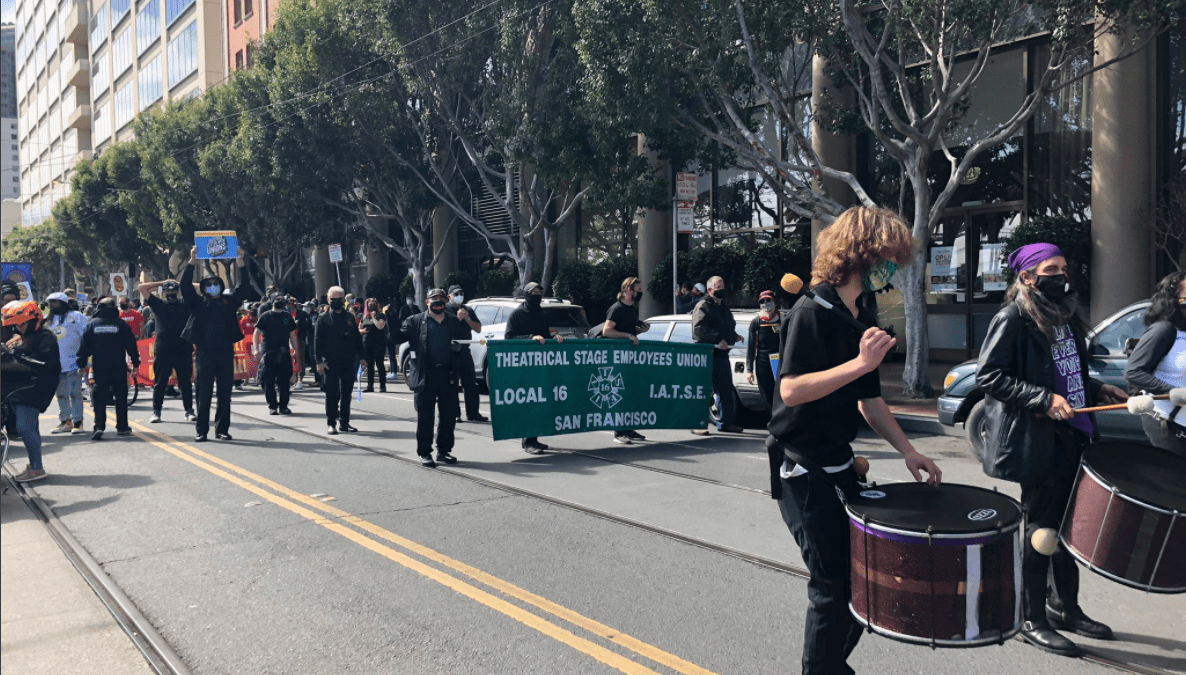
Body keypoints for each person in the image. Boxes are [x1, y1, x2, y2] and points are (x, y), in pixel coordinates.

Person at [770, 206, 942, 675]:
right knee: (832, 585)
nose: (892, 267)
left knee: (863, 580)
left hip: (841, 463)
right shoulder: (811, 311)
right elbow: (791, 390)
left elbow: (869, 401)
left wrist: (909, 451)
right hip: (803, 470)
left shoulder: (860, 311)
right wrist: (861, 364)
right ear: (862, 253)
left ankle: (829, 667)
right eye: (887, 256)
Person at [976, 242, 1127, 656]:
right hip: (1039, 441)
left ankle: (1066, 607)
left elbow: (1065, 370)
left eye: (1063, 267)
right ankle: (1031, 617)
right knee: (1042, 529)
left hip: (1075, 434)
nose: (1061, 275)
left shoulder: (1065, 316)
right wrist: (1042, 400)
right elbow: (989, 375)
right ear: (1027, 278)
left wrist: (1095, 387)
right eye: (1050, 269)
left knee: (1067, 528)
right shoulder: (1013, 318)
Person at [180, 246, 248, 442]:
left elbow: (243, 289)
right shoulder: (198, 303)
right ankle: (202, 431)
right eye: (208, 285)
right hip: (204, 353)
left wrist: (241, 261)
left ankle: (222, 430)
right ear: (204, 288)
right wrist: (192, 261)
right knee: (203, 393)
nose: (212, 287)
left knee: (225, 393)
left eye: (215, 284)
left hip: (226, 352)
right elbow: (185, 287)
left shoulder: (229, 301)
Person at [398, 288, 464, 467]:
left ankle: (444, 451)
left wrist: (458, 349)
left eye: (441, 299)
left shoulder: (453, 321)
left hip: (447, 374)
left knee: (448, 415)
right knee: (425, 415)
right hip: (425, 374)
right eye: (434, 299)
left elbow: (465, 341)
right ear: (427, 302)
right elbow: (397, 336)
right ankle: (425, 452)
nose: (438, 302)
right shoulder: (415, 321)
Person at [1125, 271, 1186, 458]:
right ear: (1175, 297)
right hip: (1167, 424)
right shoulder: (1163, 330)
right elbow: (1134, 372)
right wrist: (1173, 392)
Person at [2, 300, 62, 481]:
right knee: (30, 427)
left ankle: (37, 469)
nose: (19, 327)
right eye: (16, 324)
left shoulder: (45, 336)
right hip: (20, 387)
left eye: (23, 322)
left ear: (34, 319)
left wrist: (19, 356)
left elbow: (45, 363)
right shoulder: (22, 338)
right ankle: (35, 465)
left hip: (35, 387)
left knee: (24, 427)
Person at [506, 282, 564, 453]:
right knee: (528, 402)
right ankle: (527, 441)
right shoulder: (517, 314)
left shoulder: (542, 313)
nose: (537, 295)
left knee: (540, 402)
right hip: (524, 365)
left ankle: (535, 438)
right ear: (526, 295)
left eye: (539, 292)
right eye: (533, 292)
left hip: (541, 364)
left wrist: (555, 337)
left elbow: (545, 335)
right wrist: (530, 337)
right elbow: (509, 338)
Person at [76, 297, 140, 440]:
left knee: (99, 397)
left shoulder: (92, 325)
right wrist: (135, 364)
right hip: (118, 366)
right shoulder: (121, 325)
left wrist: (81, 364)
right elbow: (131, 346)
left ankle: (99, 426)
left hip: (99, 367)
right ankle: (122, 426)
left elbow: (84, 347)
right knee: (121, 397)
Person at [691, 276, 744, 435]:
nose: (722, 289)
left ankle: (726, 422)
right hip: (707, 354)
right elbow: (699, 329)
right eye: (718, 287)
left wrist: (734, 336)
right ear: (709, 290)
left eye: (722, 285)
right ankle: (697, 424)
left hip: (722, 354)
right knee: (704, 391)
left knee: (725, 389)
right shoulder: (703, 306)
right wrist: (717, 338)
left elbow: (727, 326)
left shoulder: (723, 307)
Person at [138, 280, 196, 423]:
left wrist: (181, 283)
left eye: (173, 291)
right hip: (163, 350)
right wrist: (163, 282)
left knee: (185, 383)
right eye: (168, 291)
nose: (171, 294)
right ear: (163, 293)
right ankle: (156, 412)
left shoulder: (185, 303)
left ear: (178, 292)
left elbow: (202, 288)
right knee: (160, 383)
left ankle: (189, 411)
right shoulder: (158, 304)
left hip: (183, 349)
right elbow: (142, 287)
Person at [602, 277, 648, 444]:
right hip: (617, 357)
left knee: (630, 393)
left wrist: (639, 331)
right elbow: (607, 331)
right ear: (628, 290)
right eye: (638, 289)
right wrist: (628, 335)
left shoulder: (631, 309)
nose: (640, 293)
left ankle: (628, 428)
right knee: (619, 393)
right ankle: (619, 432)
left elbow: (629, 330)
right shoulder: (617, 308)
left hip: (630, 357)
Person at [315, 286, 366, 435]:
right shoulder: (322, 319)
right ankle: (331, 423)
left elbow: (357, 339)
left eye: (340, 299)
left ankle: (344, 422)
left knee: (346, 393)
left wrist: (362, 357)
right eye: (334, 299)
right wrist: (319, 361)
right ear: (328, 300)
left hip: (348, 361)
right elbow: (317, 342)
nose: (337, 301)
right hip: (330, 362)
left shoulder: (349, 317)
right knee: (332, 393)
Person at [45, 292, 89, 435]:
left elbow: (86, 337)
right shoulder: (48, 320)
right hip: (55, 364)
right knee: (61, 394)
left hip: (73, 363)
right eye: (49, 302)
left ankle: (78, 422)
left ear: (62, 303)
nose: (51, 305)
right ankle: (66, 422)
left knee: (74, 393)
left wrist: (85, 359)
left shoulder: (76, 316)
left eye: (54, 302)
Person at [446, 285, 488, 422]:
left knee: (470, 383)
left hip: (465, 350)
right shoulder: (445, 310)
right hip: (450, 350)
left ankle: (473, 413)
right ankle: (455, 413)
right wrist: (457, 319)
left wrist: (468, 319)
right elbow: (443, 329)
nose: (459, 296)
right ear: (449, 297)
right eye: (456, 293)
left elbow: (478, 328)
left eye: (461, 293)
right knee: (452, 384)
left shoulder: (468, 309)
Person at [254, 296, 301, 415]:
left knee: (284, 380)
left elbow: (292, 335)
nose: (280, 302)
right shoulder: (265, 315)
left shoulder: (287, 316)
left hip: (283, 351)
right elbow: (256, 332)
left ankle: (283, 406)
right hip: (268, 352)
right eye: (277, 300)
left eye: (282, 300)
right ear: (273, 302)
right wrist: (256, 349)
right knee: (267, 380)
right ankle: (272, 406)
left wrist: (295, 349)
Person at [746, 290, 781, 412]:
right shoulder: (756, 322)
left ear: (775, 302)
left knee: (781, 395)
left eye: (768, 300)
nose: (766, 303)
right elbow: (751, 347)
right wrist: (749, 370)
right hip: (762, 362)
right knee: (766, 396)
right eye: (762, 301)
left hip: (779, 362)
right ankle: (772, 423)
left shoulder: (783, 320)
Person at [360, 298, 389, 392]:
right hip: (367, 342)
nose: (371, 306)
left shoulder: (381, 315)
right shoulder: (364, 317)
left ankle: (382, 385)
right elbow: (359, 328)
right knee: (370, 365)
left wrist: (373, 318)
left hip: (379, 343)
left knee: (379, 364)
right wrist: (362, 331)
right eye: (369, 305)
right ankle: (370, 385)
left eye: (373, 304)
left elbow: (380, 326)